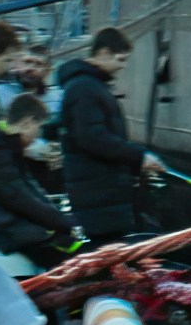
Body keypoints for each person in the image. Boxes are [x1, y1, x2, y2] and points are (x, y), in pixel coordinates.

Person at [50, 30, 156, 248]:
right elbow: (92, 138)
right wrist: (138, 156)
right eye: (120, 59)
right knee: (108, 248)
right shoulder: (85, 88)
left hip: (101, 190)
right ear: (104, 52)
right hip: (98, 191)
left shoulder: (87, 86)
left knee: (110, 247)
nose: (123, 66)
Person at [0, 80, 75, 266]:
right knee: (57, 254)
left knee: (61, 243)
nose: (37, 136)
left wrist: (57, 216)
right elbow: (17, 196)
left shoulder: (2, 143)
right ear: (28, 122)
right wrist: (61, 222)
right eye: (38, 128)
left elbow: (27, 186)